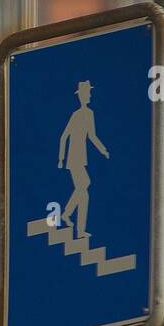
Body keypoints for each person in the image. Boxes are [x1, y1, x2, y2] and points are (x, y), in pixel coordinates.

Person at [57, 79, 109, 239]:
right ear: (81, 96)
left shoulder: (88, 114)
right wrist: (61, 158)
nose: (89, 96)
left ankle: (69, 217)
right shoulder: (78, 114)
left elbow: (92, 136)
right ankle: (72, 221)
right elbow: (64, 136)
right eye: (87, 94)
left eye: (89, 93)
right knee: (84, 187)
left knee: (84, 189)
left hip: (79, 157)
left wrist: (103, 150)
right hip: (74, 158)